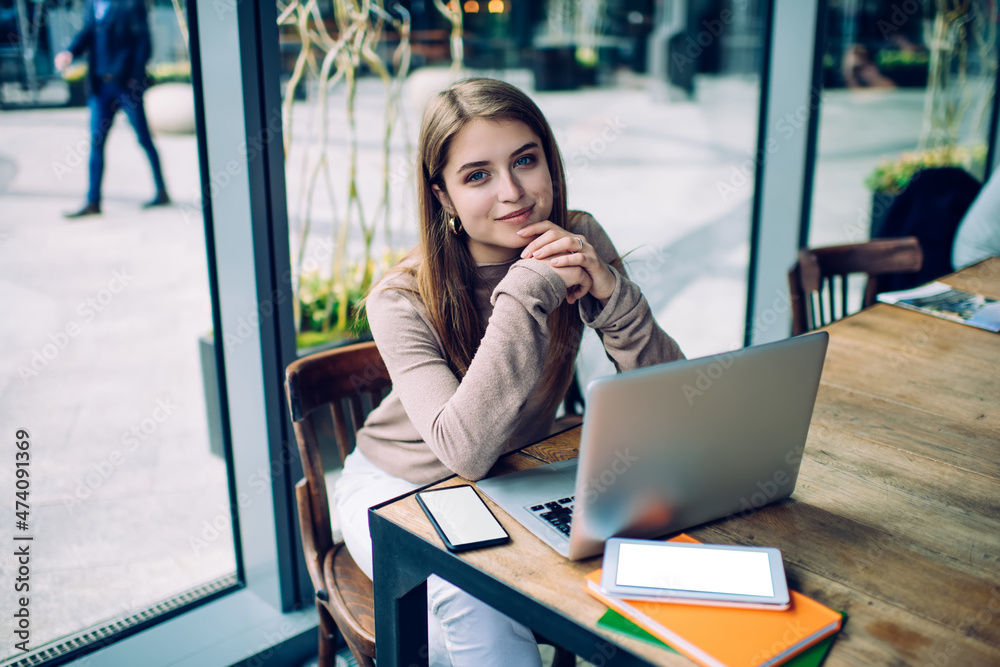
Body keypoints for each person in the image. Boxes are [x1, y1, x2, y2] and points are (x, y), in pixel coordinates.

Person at [332, 78, 684, 666]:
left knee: (657, 537)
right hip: (400, 487)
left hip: (515, 472)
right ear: (442, 197)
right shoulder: (398, 298)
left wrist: (615, 298)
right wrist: (525, 289)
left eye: (526, 160)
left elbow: (674, 401)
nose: (514, 192)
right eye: (477, 175)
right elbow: (462, 451)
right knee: (479, 603)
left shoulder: (579, 237)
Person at [54, 0, 170, 218]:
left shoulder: (130, 4)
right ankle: (93, 201)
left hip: (126, 86)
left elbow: (144, 41)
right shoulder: (91, 4)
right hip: (100, 88)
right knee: (96, 143)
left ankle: (161, 191)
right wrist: (69, 52)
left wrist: (135, 78)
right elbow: (88, 33)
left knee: (143, 139)